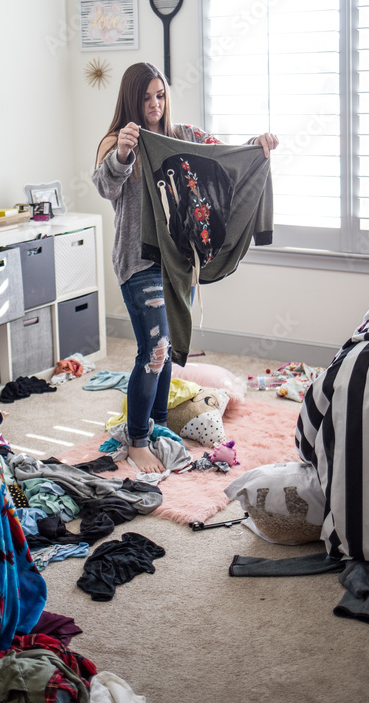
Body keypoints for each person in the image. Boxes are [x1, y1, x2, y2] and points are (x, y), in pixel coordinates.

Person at [92, 62, 278, 473]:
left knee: (171, 349)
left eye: (160, 95)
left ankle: (156, 426)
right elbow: (106, 187)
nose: (154, 104)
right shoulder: (119, 140)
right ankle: (137, 438)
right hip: (139, 261)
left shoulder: (183, 136)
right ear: (130, 98)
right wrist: (123, 153)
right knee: (154, 350)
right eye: (145, 97)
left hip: (178, 262)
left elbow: (224, 154)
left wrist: (256, 144)